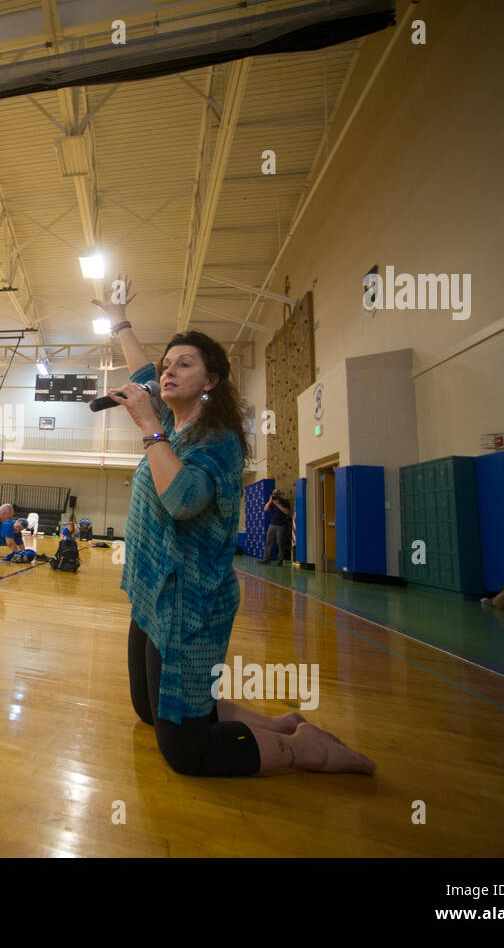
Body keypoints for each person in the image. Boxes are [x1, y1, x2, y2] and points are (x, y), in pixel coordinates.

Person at [98, 273, 373, 775]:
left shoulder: (215, 439)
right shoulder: (172, 421)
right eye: (167, 365)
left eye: (185, 364)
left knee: (185, 751)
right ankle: (282, 725)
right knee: (149, 710)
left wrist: (148, 428)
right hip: (153, 592)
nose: (168, 371)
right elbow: (142, 368)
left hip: (191, 601)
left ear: (211, 381)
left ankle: (302, 751)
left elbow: (182, 501)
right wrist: (121, 322)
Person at [263, 490, 292, 564]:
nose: (275, 496)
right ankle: (267, 559)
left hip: (281, 525)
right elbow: (265, 509)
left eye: (276, 495)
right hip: (272, 525)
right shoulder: (272, 502)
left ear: (280, 495)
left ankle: (280, 560)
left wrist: (278, 504)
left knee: (280, 543)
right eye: (274, 495)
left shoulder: (285, 502)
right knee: (268, 542)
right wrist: (270, 502)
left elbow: (287, 512)